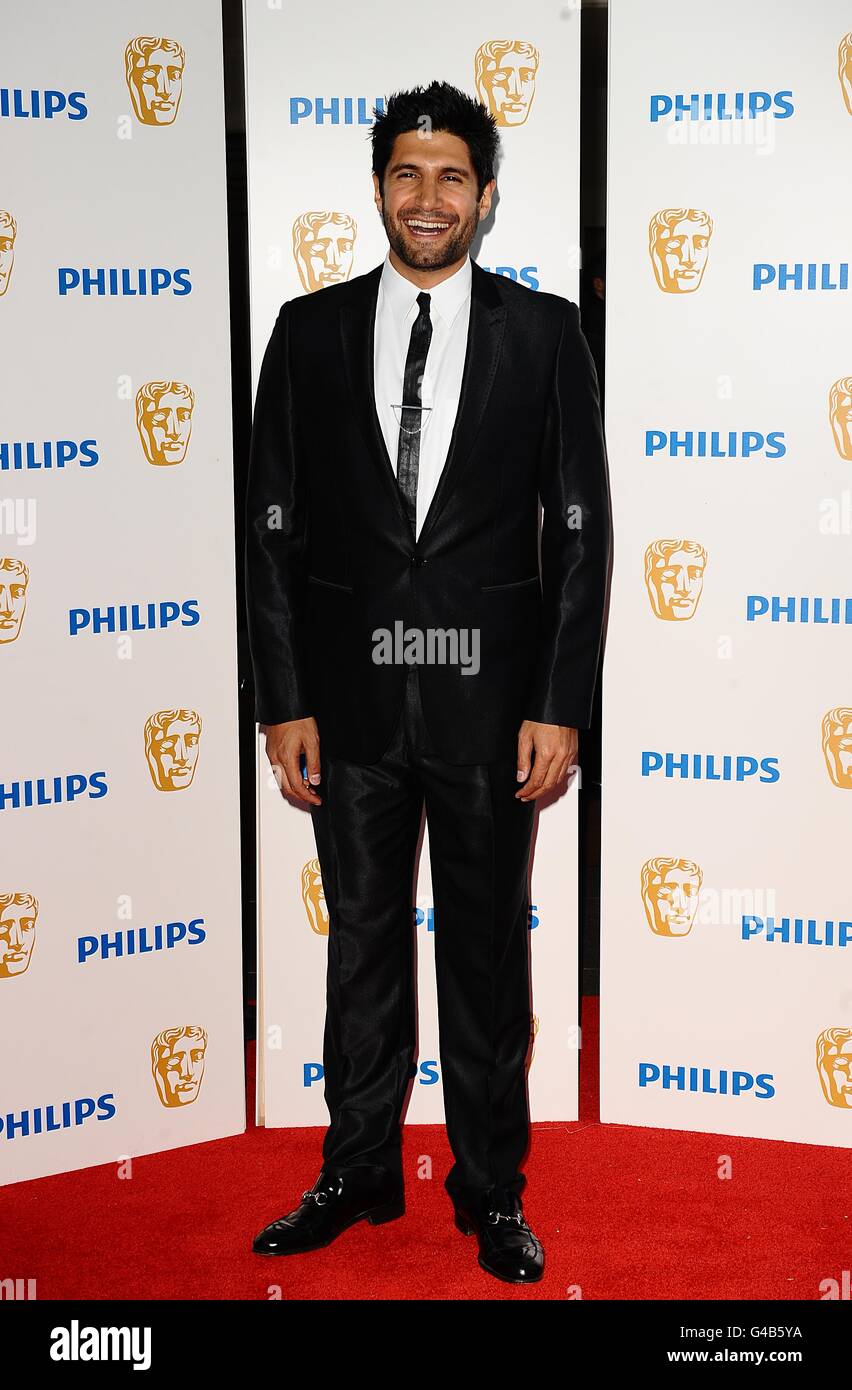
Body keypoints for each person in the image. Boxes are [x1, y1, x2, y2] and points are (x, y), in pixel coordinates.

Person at [244, 80, 612, 1285]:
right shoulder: (305, 332)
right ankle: (356, 1169)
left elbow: (579, 530)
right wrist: (282, 697)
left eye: (453, 175)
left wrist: (557, 702)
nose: (429, 197)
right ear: (378, 190)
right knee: (360, 942)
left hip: (490, 707)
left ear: (488, 195)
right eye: (407, 173)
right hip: (347, 708)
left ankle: (489, 1188)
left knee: (486, 951)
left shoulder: (546, 334)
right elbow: (271, 532)